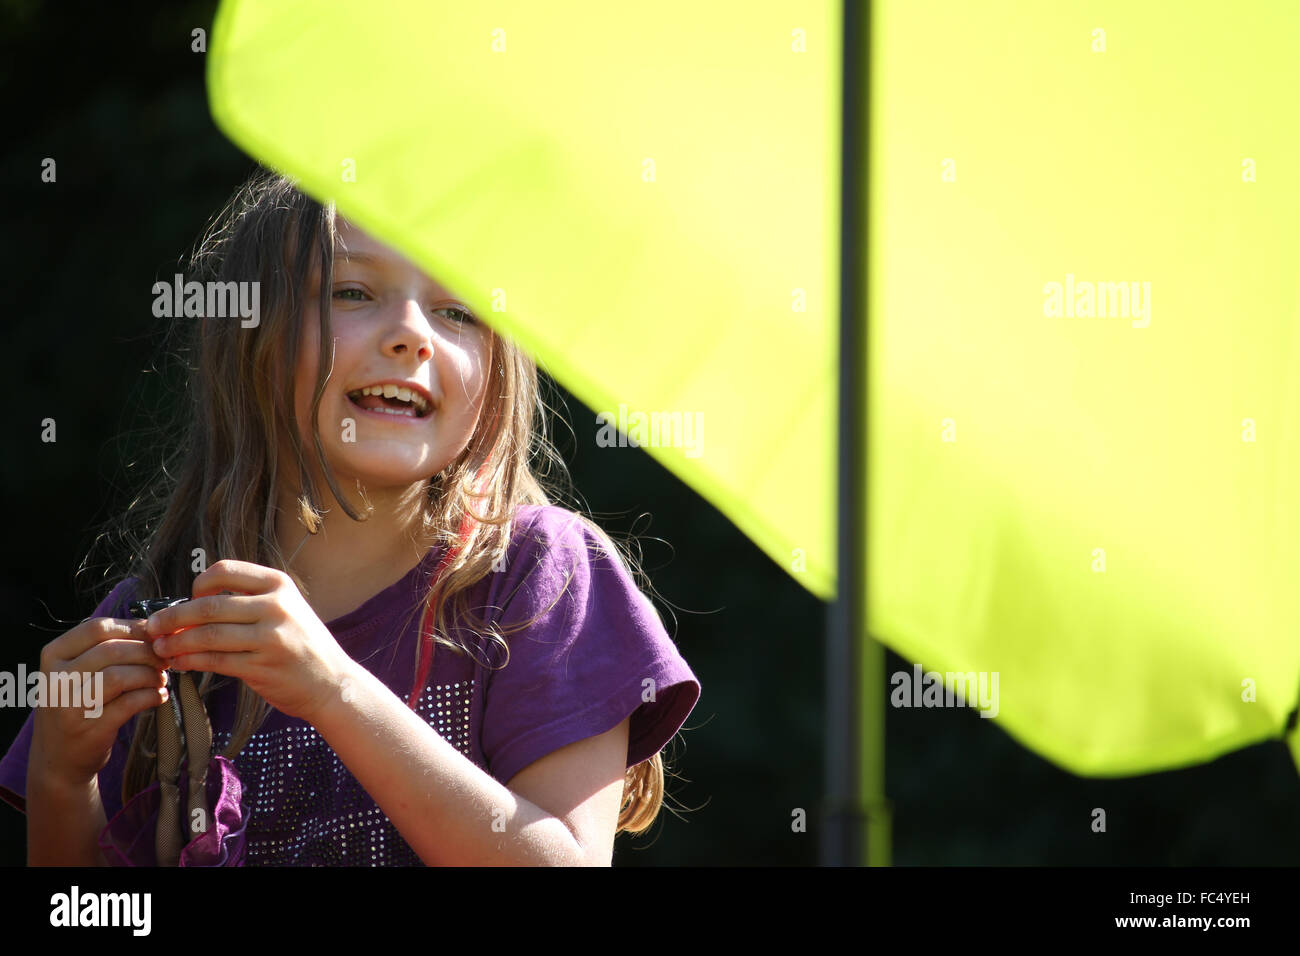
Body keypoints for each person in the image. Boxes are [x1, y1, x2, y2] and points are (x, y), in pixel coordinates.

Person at [0, 167, 700, 866]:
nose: (411, 336)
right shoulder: (156, 626)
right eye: (353, 292)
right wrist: (62, 778)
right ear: (251, 341)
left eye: (458, 311)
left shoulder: (538, 576)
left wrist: (333, 689)